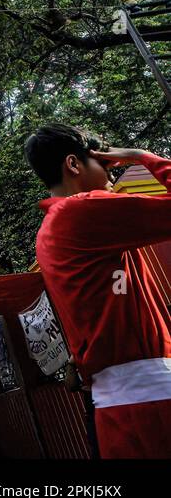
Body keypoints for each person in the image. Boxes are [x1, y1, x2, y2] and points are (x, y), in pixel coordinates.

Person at [26, 124, 171, 457]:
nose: (111, 176)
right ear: (74, 165)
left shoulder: (50, 230)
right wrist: (140, 156)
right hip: (150, 401)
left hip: (115, 404)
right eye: (104, 164)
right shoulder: (82, 210)